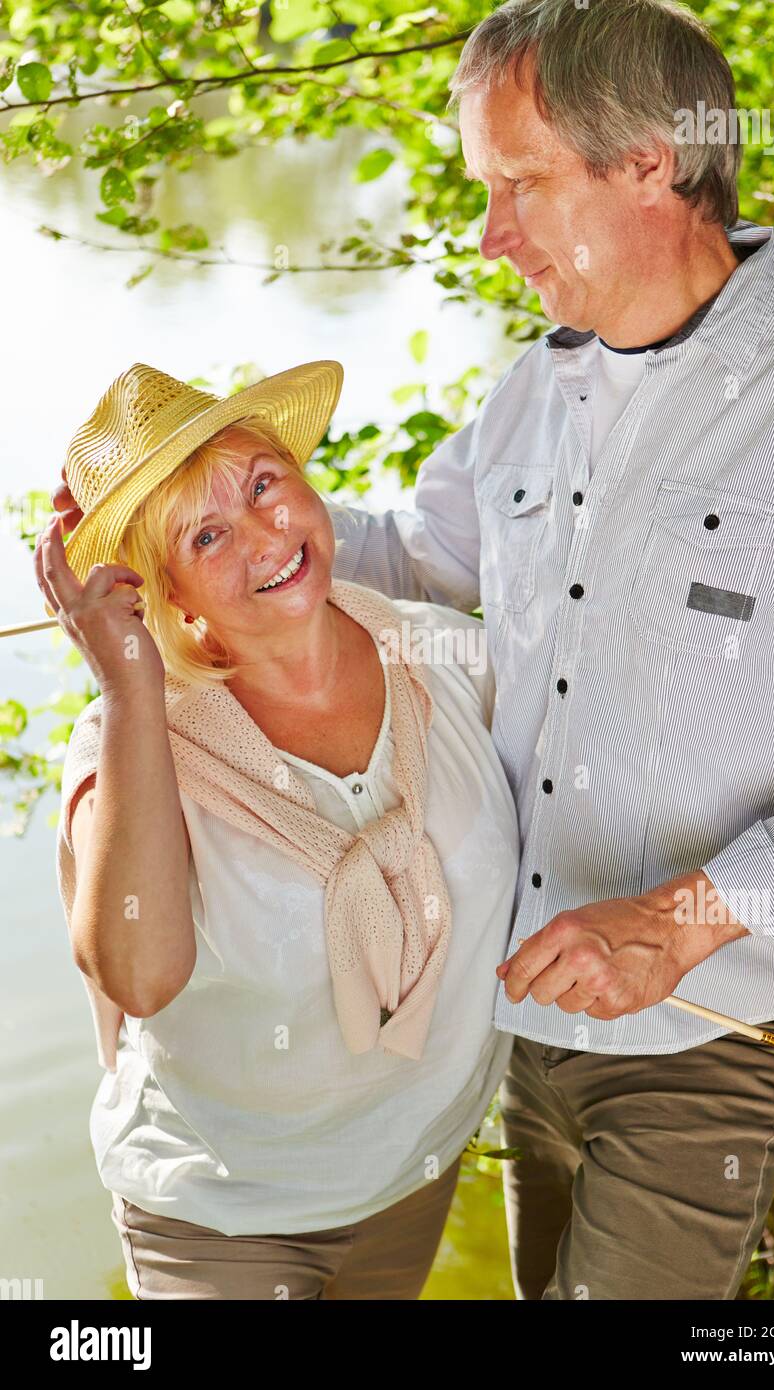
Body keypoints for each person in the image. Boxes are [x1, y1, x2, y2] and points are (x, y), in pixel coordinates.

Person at [51, 0, 774, 1302]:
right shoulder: (532, 392)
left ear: (650, 162)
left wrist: (673, 922)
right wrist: (185, 522)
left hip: (709, 1031)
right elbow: (412, 559)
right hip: (520, 1017)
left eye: (518, 186)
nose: (490, 237)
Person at [38, 359, 520, 1300]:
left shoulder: (447, 656)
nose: (266, 535)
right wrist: (131, 680)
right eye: (207, 534)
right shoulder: (126, 740)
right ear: (164, 595)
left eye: (264, 484)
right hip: (219, 1216)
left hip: (407, 1181)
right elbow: (138, 973)